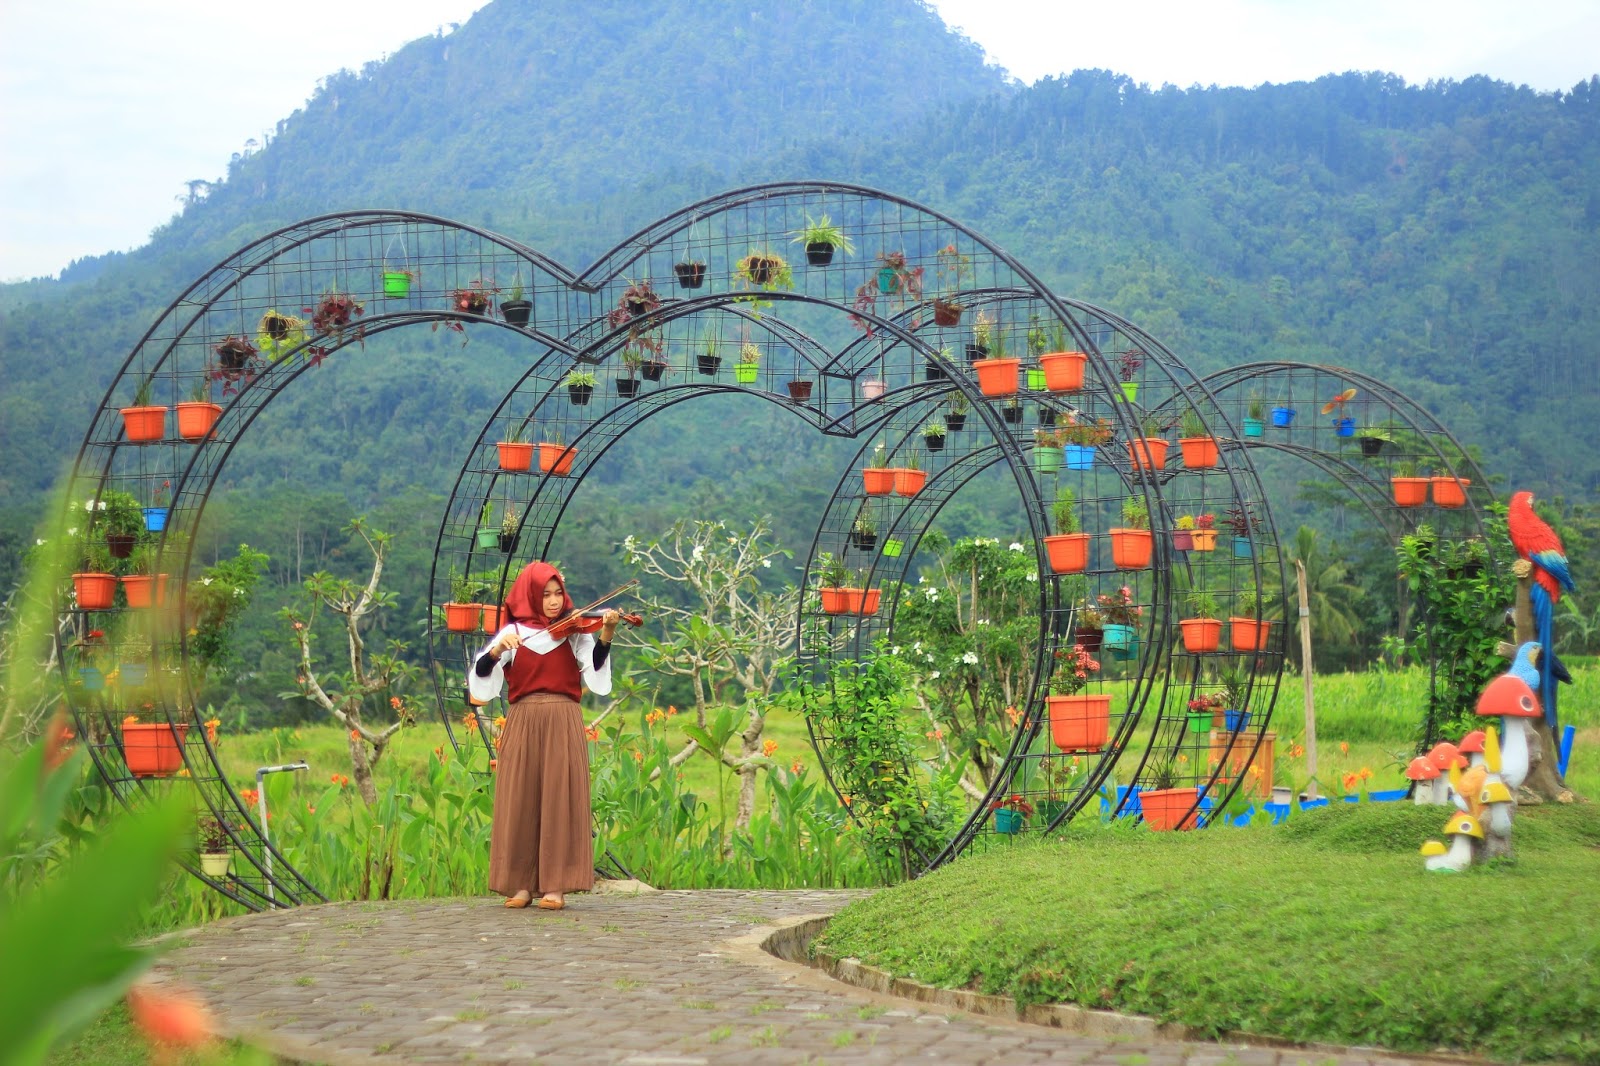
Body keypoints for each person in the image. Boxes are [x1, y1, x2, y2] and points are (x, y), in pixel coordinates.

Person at [470, 560, 620, 910]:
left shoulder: (575, 630)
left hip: (563, 716)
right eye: (545, 595)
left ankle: (556, 885)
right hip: (522, 718)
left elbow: (595, 672)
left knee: (559, 795)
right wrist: (497, 650)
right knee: (519, 795)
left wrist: (607, 634)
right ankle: (520, 884)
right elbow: (480, 676)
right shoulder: (514, 632)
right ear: (530, 596)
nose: (554, 601)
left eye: (558, 594)